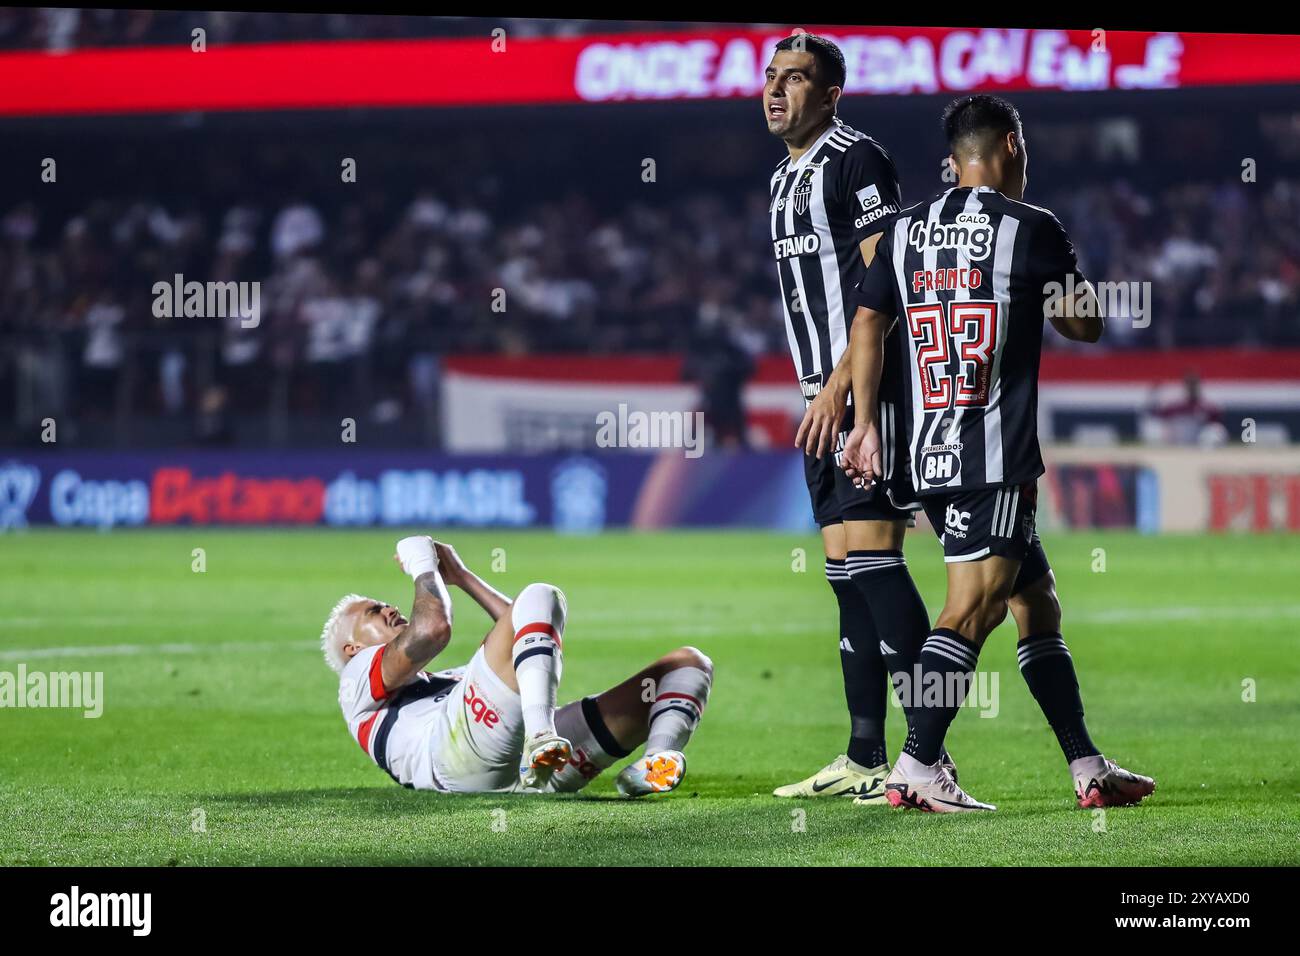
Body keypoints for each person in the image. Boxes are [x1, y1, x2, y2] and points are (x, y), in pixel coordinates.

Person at [843, 94, 1155, 812]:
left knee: (1034, 602)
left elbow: (867, 322)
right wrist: (1059, 277)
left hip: (929, 457)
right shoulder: (1031, 227)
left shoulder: (907, 229)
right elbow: (1085, 325)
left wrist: (862, 426)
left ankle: (1087, 766)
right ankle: (917, 765)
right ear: (1012, 146)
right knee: (970, 611)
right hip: (994, 455)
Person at [763, 31, 942, 801]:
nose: (776, 90)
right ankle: (866, 757)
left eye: (795, 78)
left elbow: (887, 277)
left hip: (866, 394)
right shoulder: (781, 179)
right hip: (818, 398)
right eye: (771, 77)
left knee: (875, 565)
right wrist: (817, 390)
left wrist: (844, 386)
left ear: (831, 94)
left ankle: (925, 760)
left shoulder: (855, 160)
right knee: (846, 579)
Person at [320, 536, 713, 796]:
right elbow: (433, 628)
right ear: (353, 648)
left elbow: (525, 624)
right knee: (541, 593)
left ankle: (656, 760)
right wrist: (422, 562)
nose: (388, 607)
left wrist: (463, 577)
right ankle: (542, 735)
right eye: (373, 610)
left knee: (688, 665)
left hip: (527, 772)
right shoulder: (356, 679)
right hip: (449, 760)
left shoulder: (449, 681)